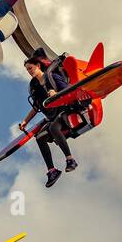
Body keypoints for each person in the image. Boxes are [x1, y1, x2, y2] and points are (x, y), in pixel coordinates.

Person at [18, 54, 80, 187]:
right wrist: (25, 122)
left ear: (38, 66)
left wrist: (56, 94)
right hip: (53, 117)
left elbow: (69, 89)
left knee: (53, 128)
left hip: (65, 110)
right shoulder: (35, 86)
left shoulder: (52, 77)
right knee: (39, 138)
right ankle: (52, 171)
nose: (29, 71)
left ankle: (70, 160)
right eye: (27, 70)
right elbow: (36, 107)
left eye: (30, 68)